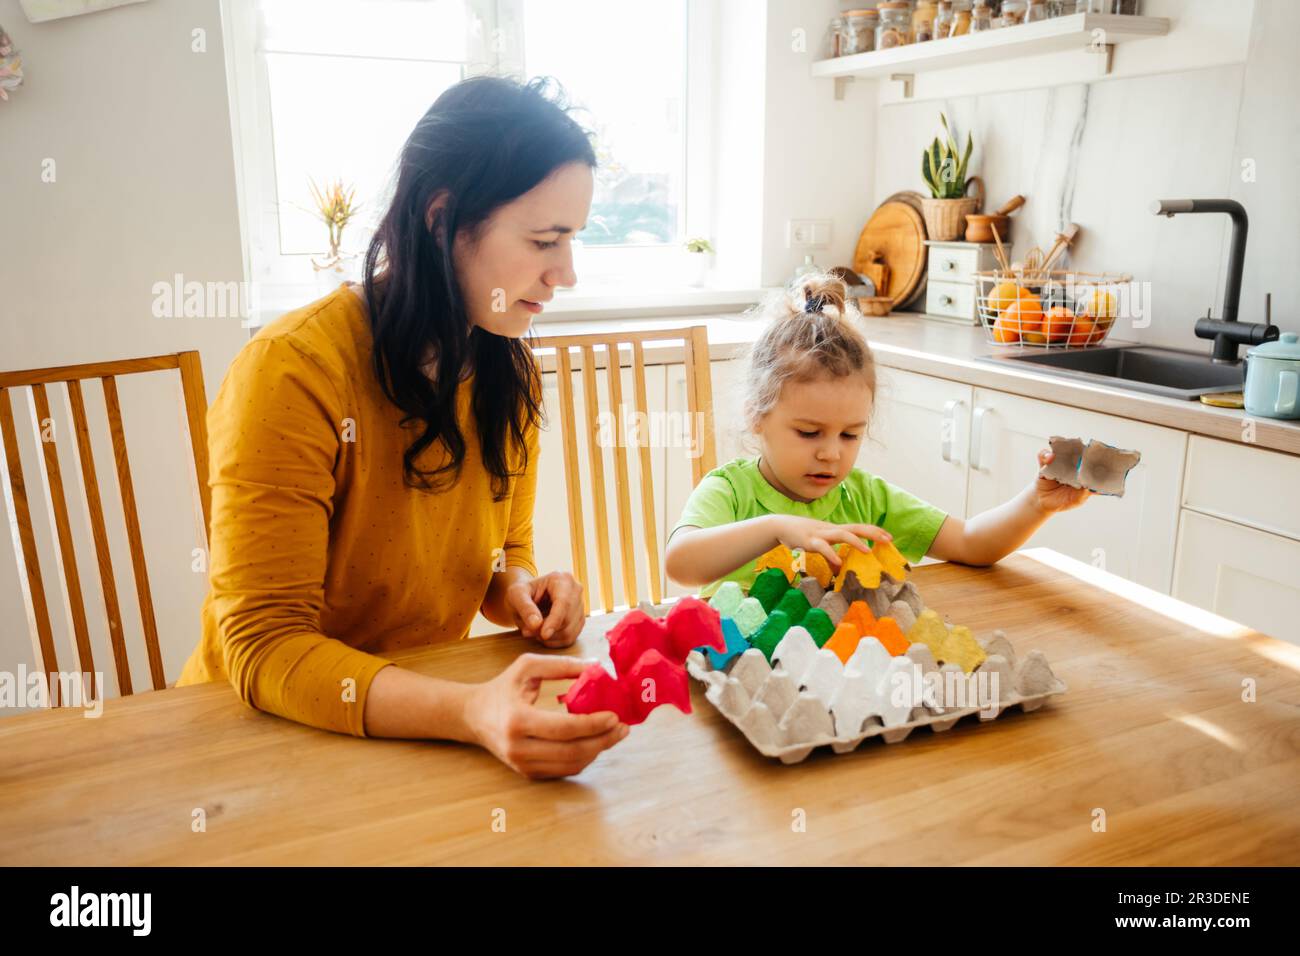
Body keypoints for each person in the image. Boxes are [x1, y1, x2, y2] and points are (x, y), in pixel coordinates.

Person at [177, 76, 629, 780]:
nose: (566, 273)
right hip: (259, 734)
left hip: (412, 726)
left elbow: (504, 548)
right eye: (545, 240)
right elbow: (264, 644)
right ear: (442, 217)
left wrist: (522, 590)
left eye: (572, 240)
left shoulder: (505, 364)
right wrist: (470, 713)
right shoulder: (292, 371)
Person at [665, 273, 1093, 594]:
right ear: (756, 415)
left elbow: (970, 542)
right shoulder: (731, 491)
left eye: (850, 435)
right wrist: (776, 526)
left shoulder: (866, 497)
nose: (832, 454)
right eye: (810, 433)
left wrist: (1037, 504)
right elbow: (682, 564)